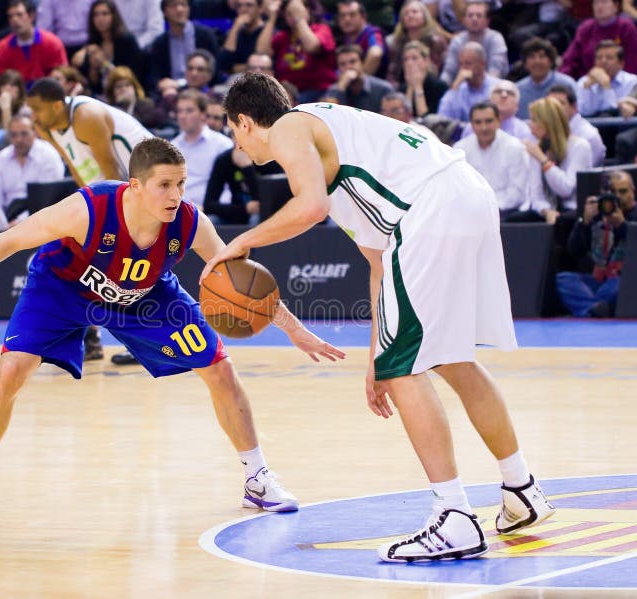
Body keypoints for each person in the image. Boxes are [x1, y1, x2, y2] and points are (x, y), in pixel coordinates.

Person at [0, 137, 345, 531]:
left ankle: (257, 478)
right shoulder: (87, 210)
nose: (175, 195)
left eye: (181, 183)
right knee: (11, 371)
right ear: (135, 186)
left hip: (146, 294)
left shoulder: (190, 222)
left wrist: (295, 330)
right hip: (64, 287)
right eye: (164, 185)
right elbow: (8, 241)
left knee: (219, 369)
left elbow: (243, 281)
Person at [204, 72, 555, 563]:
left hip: (431, 207)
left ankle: (454, 516)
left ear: (244, 121)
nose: (238, 144)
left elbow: (309, 207)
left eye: (234, 131)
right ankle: (521, 488)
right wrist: (376, 357)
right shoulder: (335, 143)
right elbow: (379, 262)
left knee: (408, 368)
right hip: (465, 196)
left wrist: (242, 240)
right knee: (451, 358)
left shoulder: (288, 126)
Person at [26, 76, 154, 362]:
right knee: (72, 257)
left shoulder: (86, 116)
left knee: (133, 266)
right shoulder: (46, 126)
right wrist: (85, 212)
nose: (33, 116)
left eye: (37, 109)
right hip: (118, 191)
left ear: (57, 106)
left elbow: (113, 171)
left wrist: (114, 219)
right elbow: (76, 168)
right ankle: (89, 339)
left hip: (149, 184)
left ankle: (144, 342)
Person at [556, 173, 635, 317]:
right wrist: (584, 222)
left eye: (623, 191)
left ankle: (589, 309)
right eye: (612, 192)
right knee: (563, 279)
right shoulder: (597, 215)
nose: (617, 197)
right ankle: (595, 308)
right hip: (597, 279)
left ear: (633, 192)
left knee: (622, 285)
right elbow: (575, 251)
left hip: (622, 278)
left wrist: (622, 225)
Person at [0, 114, 65, 231]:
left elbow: (49, 199)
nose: (19, 140)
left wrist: (20, 223)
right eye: (14, 135)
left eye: (24, 134)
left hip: (41, 219)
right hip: (8, 219)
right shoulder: (0, 159)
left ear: (35, 133)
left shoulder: (49, 156)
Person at [454, 101, 530, 220]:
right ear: (471, 124)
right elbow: (458, 189)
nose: (483, 128)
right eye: (478, 122)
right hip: (470, 213)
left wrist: (489, 209)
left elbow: (517, 193)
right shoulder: (460, 149)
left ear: (499, 121)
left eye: (489, 121)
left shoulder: (515, 148)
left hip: (506, 213)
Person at [524, 97, 593, 223]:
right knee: (515, 219)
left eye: (534, 120)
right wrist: (546, 211)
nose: (530, 125)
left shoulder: (580, 146)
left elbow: (566, 189)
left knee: (562, 221)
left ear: (547, 122)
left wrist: (544, 161)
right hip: (548, 208)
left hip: (573, 208)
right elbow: (536, 195)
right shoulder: (538, 148)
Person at [255, 0, 337, 103]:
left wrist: (300, 19)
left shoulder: (321, 29)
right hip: (288, 91)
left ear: (308, 10)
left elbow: (312, 46)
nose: (293, 16)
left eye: (296, 11)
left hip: (318, 91)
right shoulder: (283, 36)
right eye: (289, 13)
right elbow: (261, 52)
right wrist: (272, 17)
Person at [171, 89, 234, 208]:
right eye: (179, 111)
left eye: (189, 110)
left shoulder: (223, 144)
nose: (182, 116)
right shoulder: (172, 146)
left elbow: (230, 188)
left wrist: (209, 209)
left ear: (203, 114)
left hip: (212, 210)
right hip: (178, 209)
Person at [71, 0, 144, 96]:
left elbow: (132, 76)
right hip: (100, 96)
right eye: (95, 15)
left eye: (105, 14)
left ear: (114, 16)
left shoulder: (126, 41)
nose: (100, 19)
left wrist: (104, 64)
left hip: (125, 93)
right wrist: (93, 69)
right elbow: (93, 85)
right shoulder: (93, 43)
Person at [0, 0, 68, 86]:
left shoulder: (52, 43)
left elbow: (62, 75)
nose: (14, 20)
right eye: (10, 16)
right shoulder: (2, 49)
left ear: (31, 16)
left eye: (19, 15)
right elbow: (0, 81)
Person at [560, 0, 637, 80]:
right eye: (596, 3)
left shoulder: (626, 28)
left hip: (620, 80)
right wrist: (563, 78)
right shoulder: (586, 28)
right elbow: (570, 59)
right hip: (588, 80)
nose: (599, 6)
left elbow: (632, 61)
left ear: (616, 6)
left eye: (604, 2)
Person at [440, 1, 508, 85]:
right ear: (464, 20)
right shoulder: (457, 41)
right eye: (470, 15)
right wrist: (443, 87)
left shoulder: (495, 39)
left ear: (487, 20)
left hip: (494, 87)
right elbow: (449, 72)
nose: (474, 19)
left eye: (479, 16)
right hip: (463, 86)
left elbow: (496, 71)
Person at [437, 41, 501, 123]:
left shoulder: (497, 87)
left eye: (468, 64)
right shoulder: (457, 89)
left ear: (483, 64)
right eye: (461, 64)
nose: (463, 68)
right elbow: (442, 119)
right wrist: (456, 85)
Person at [515, 37, 577, 120]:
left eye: (542, 56)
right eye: (532, 57)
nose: (537, 61)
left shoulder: (567, 84)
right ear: (525, 63)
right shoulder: (517, 90)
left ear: (551, 61)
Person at [546, 84, 606, 167]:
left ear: (574, 107)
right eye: (550, 104)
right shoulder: (542, 130)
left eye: (560, 103)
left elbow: (581, 172)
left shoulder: (588, 135)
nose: (554, 108)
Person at [576, 40, 637, 117]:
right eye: (599, 58)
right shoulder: (583, 82)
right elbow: (583, 113)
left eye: (609, 58)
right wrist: (587, 88)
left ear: (621, 63)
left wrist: (606, 87)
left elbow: (616, 115)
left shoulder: (632, 82)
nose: (603, 61)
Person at [325, 44, 393, 113]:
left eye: (353, 61)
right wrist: (341, 88)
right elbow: (327, 113)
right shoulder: (335, 89)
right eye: (343, 64)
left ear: (362, 63)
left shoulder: (383, 88)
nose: (348, 67)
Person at [218, 0, 265, 76]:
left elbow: (262, 65)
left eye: (249, 5)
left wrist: (239, 68)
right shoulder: (234, 32)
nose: (243, 9)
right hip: (235, 78)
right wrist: (236, 27)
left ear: (260, 8)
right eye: (239, 6)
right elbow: (223, 64)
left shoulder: (268, 32)